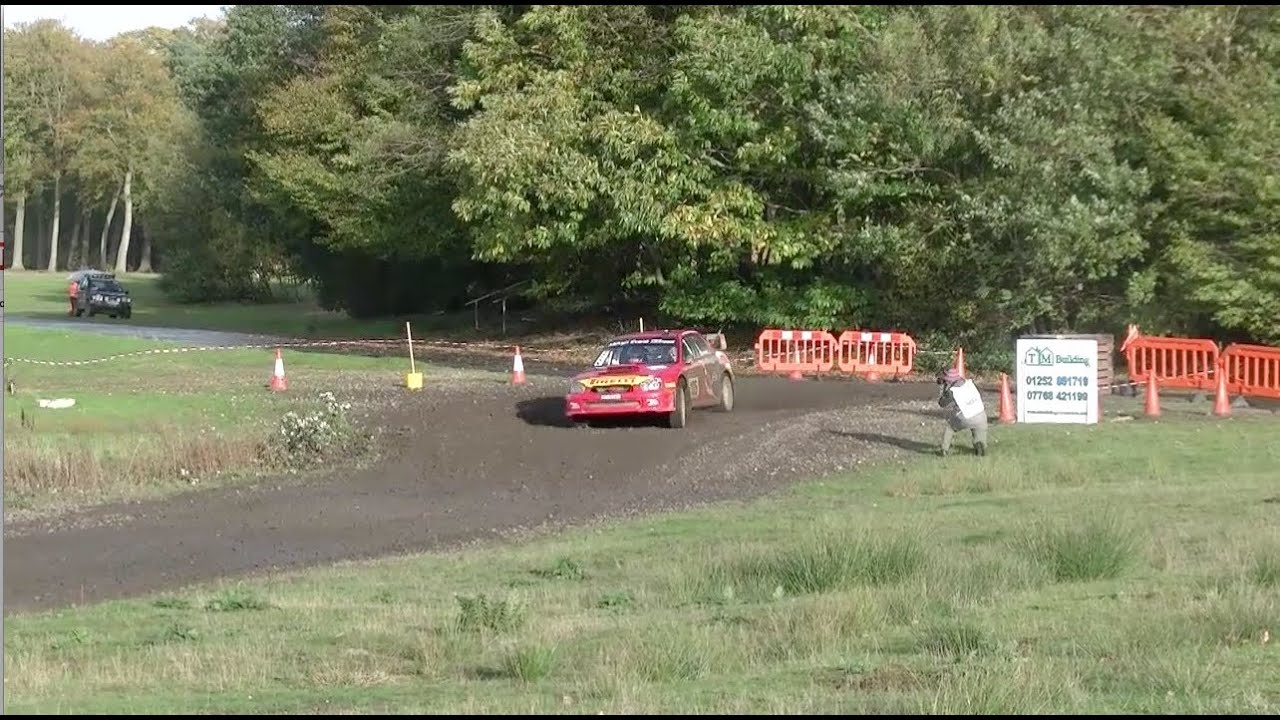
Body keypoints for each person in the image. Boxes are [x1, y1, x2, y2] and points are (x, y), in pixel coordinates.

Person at [936, 367, 988, 456]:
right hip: (981, 414)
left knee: (950, 427)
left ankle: (944, 449)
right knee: (979, 430)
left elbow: (942, 404)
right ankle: (980, 445)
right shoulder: (969, 383)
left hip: (966, 416)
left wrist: (944, 390)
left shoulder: (952, 391)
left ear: (948, 381)